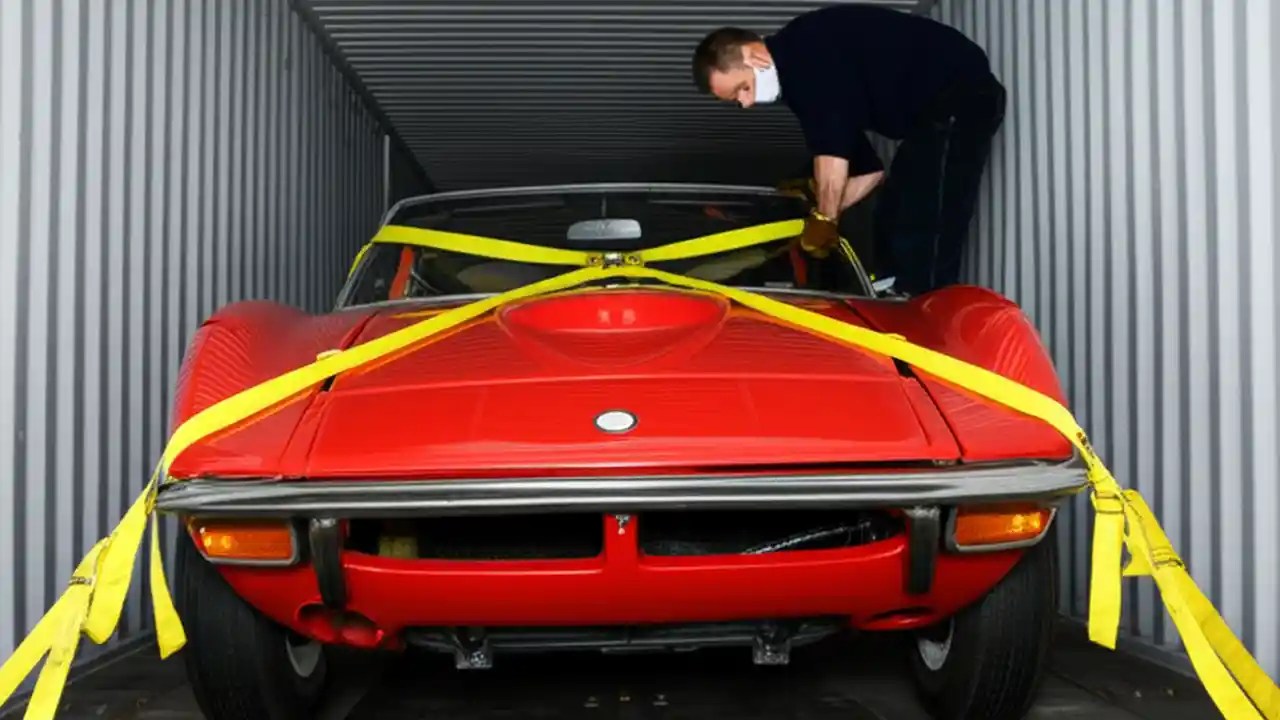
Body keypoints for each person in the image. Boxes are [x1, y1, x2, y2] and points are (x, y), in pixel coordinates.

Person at [691, 4, 1006, 295]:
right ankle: (899, 294)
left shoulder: (807, 53)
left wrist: (826, 220)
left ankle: (926, 307)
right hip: (928, 120)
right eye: (736, 100)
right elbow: (869, 171)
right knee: (890, 213)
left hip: (961, 97)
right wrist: (819, 217)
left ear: (755, 54)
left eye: (742, 89)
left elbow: (831, 157)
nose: (746, 103)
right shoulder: (804, 85)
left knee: (924, 213)